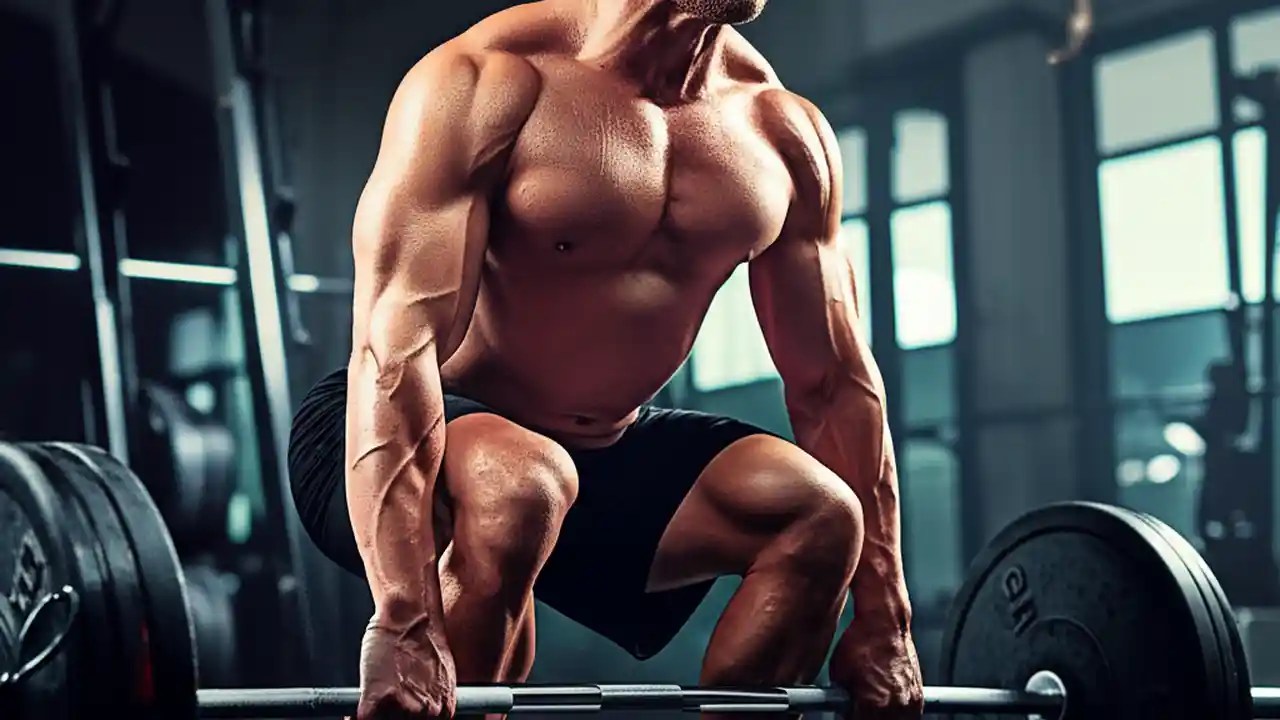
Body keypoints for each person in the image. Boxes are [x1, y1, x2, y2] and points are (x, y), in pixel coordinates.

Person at [286, 1, 924, 719]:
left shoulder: (779, 130)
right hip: (397, 428)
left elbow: (835, 386)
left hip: (591, 456)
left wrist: (886, 617)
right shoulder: (489, 81)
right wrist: (404, 616)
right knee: (523, 486)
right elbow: (396, 349)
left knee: (820, 518)